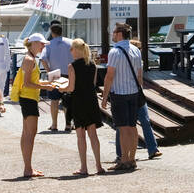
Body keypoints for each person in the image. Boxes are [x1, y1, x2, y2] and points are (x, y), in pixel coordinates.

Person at [102, 23, 145, 171]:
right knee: (132, 127)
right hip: (133, 93)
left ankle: (124, 159)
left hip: (119, 93)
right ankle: (132, 158)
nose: (112, 34)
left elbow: (109, 76)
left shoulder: (114, 52)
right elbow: (140, 75)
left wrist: (104, 97)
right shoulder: (135, 50)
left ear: (119, 34)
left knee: (123, 128)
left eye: (114, 32)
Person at [113, 37, 161, 165]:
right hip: (136, 93)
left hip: (131, 93)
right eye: (138, 48)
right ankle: (122, 154)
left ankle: (150, 149)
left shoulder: (130, 58)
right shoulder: (136, 59)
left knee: (125, 126)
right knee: (134, 123)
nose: (138, 51)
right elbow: (139, 77)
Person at [64, 38, 105, 175]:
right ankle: (99, 166)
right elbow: (92, 84)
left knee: (80, 135)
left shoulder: (72, 66)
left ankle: (84, 167)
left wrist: (59, 88)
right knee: (93, 134)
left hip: (79, 101)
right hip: (91, 100)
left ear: (76, 50)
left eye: (71, 48)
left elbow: (71, 87)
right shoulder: (92, 64)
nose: (70, 51)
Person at [15, 33, 51, 178]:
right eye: (41, 44)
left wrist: (47, 84)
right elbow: (27, 83)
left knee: (27, 134)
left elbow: (30, 82)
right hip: (29, 98)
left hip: (28, 98)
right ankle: (28, 169)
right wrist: (45, 87)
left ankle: (28, 167)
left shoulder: (30, 58)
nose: (43, 46)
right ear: (34, 44)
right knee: (30, 134)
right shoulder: (29, 59)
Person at [39, 23, 73, 132]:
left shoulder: (48, 44)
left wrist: (49, 71)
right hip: (68, 74)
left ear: (52, 32)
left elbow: (42, 59)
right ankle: (68, 124)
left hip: (55, 75)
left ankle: (54, 125)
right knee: (67, 100)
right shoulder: (70, 42)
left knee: (54, 100)